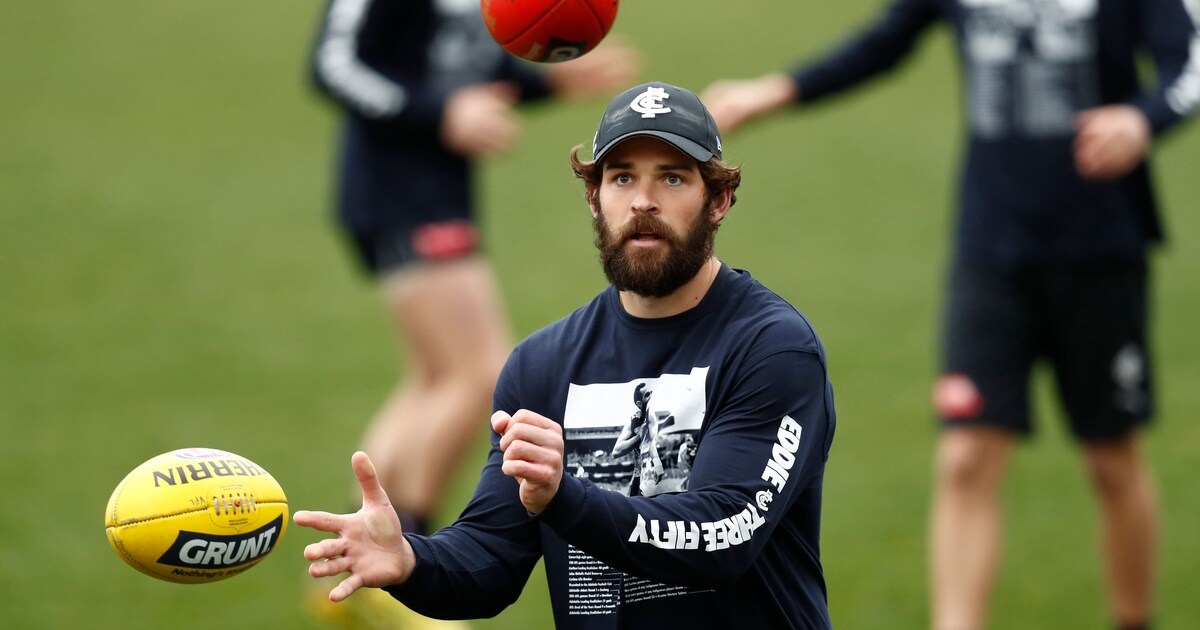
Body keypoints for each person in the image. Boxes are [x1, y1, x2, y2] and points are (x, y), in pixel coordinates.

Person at [701, 2, 1199, 629]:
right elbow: (885, 43)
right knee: (966, 457)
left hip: (1101, 250)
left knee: (1111, 457)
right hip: (991, 252)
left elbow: (1191, 61)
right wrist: (769, 93)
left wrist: (1143, 120)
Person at [295, 81, 838, 629]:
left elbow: (719, 537)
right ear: (594, 197)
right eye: (622, 177)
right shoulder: (543, 365)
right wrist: (410, 560)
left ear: (718, 200)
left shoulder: (771, 348)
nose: (643, 201)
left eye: (672, 178)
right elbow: (489, 560)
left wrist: (562, 498)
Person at [307, 0, 639, 546]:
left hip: (438, 191)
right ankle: (397, 556)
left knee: (434, 379)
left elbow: (462, 65)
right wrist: (440, 113)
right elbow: (335, 65)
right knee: (479, 373)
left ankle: (355, 565)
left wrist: (544, 84)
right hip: (397, 192)